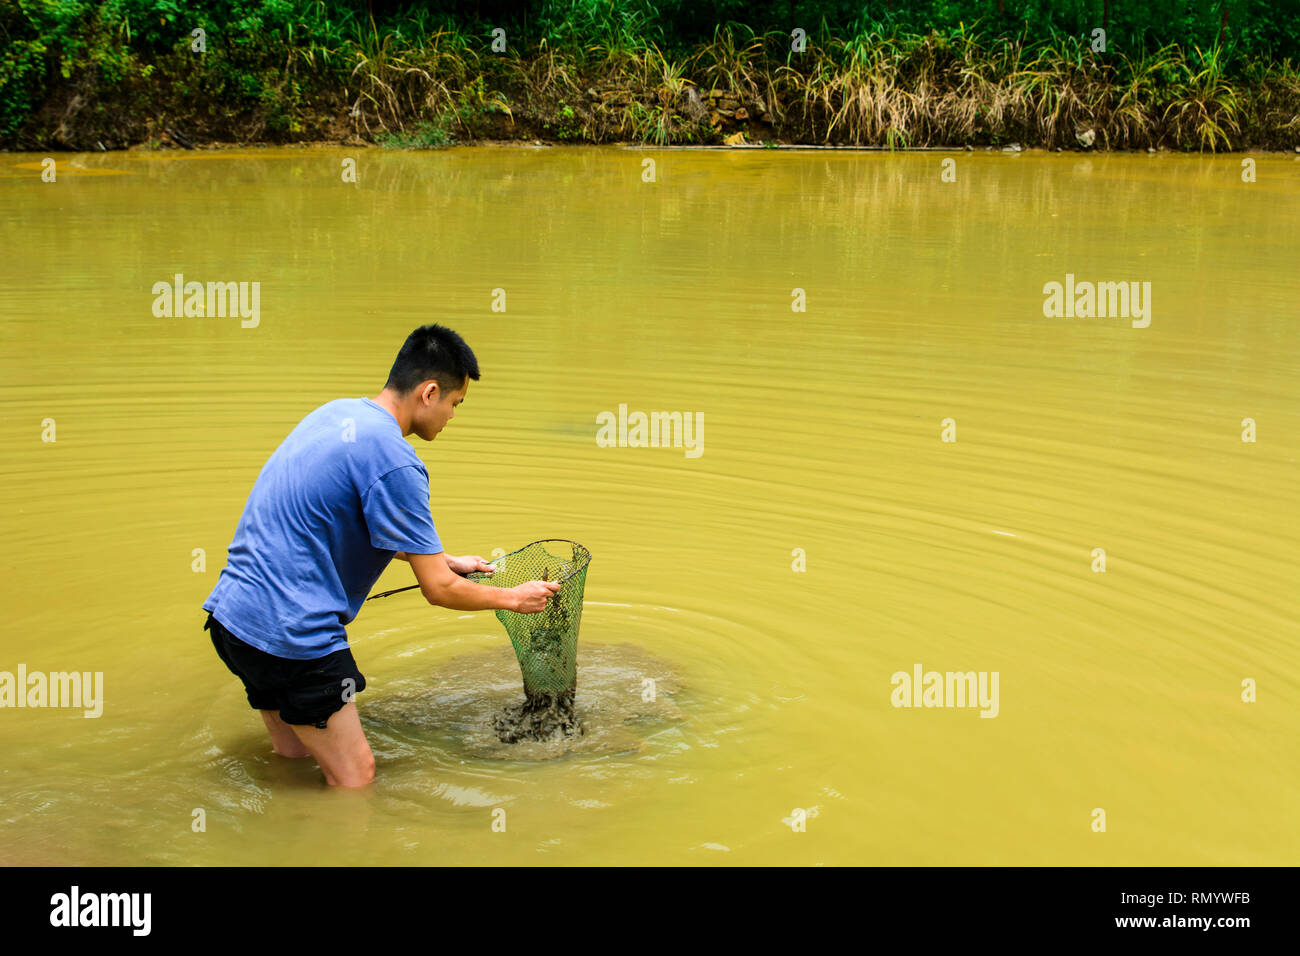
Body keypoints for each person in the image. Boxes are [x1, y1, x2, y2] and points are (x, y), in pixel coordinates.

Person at [201, 324, 561, 787]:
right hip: (294, 639)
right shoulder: (397, 461)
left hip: (236, 622)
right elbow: (439, 592)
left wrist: (438, 558)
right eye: (455, 404)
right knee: (357, 778)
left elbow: (326, 516)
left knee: (293, 755)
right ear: (429, 392)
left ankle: (282, 836)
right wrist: (515, 597)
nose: (453, 416)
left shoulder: (336, 415)